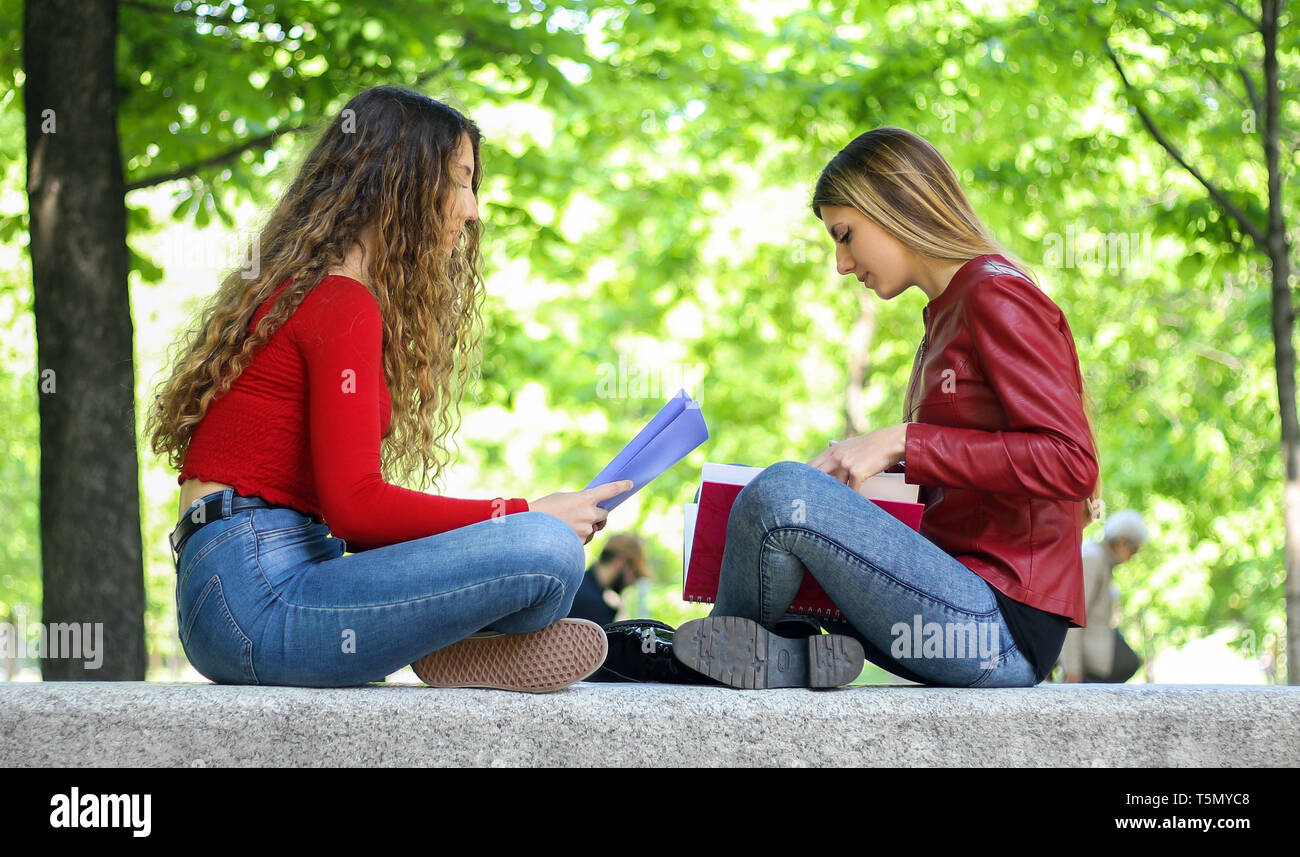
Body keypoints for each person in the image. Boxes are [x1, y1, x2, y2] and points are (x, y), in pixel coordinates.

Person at [146, 85, 630, 691]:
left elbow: (348, 522)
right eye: (461, 180)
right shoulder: (339, 301)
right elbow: (357, 509)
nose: (473, 209)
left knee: (548, 559)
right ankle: (460, 636)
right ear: (400, 180)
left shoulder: (311, 292)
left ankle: (458, 644)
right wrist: (525, 512)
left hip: (247, 587)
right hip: (256, 600)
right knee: (549, 551)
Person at [673, 127, 1103, 689]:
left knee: (782, 496)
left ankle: (717, 657)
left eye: (845, 235)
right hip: (953, 603)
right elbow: (975, 468)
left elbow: (1071, 462)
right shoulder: (947, 314)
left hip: (997, 629)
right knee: (793, 499)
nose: (841, 264)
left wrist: (902, 441)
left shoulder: (996, 294)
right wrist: (882, 470)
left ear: (895, 204)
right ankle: (780, 652)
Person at [1059, 510, 1148, 683]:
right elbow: (1072, 617)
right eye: (1134, 550)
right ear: (1122, 541)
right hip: (1087, 666)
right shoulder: (1092, 558)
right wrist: (1072, 669)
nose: (1132, 557)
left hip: (1094, 658)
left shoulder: (1102, 560)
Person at [567, 533, 652, 626]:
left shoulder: (575, 583)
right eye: (635, 574)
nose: (632, 583)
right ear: (620, 563)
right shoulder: (595, 606)